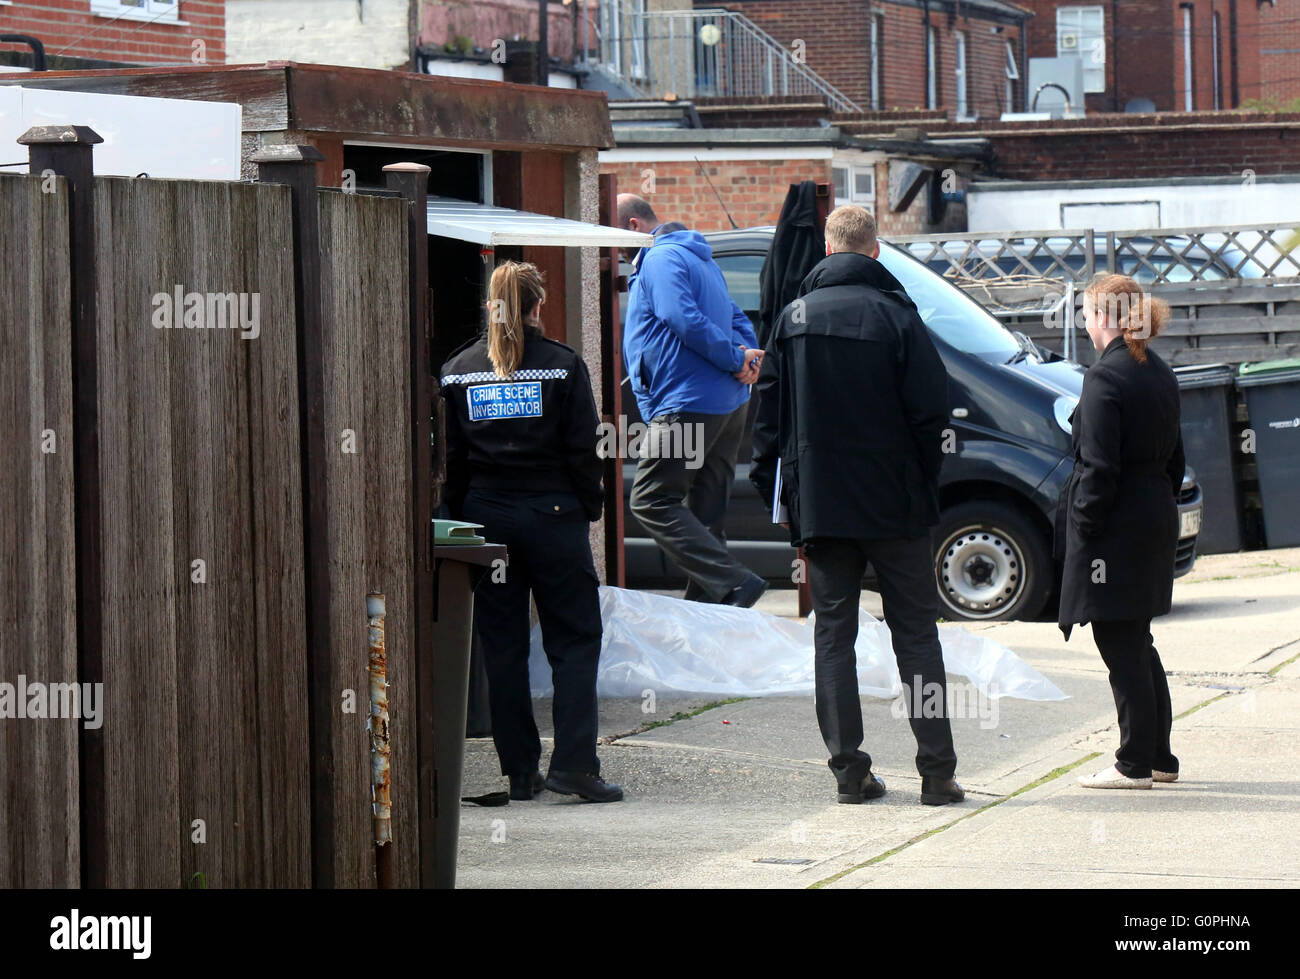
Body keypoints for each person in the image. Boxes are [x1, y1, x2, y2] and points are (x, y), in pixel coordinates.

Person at [751, 205, 963, 806]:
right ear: (874, 251)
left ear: (827, 249)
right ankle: (937, 774)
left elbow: (767, 416)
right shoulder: (898, 314)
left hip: (821, 503)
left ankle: (849, 771)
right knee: (917, 636)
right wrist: (923, 481)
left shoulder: (793, 318)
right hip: (896, 504)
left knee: (832, 636)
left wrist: (783, 491)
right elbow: (931, 411)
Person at [440, 261, 623, 803]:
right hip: (553, 518)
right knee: (574, 639)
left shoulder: (458, 370)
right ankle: (573, 766)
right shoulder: (563, 367)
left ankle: (520, 771)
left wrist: (460, 521)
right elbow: (585, 448)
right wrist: (585, 509)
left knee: (502, 644)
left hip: (487, 522)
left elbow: (449, 460)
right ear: (538, 306)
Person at [1058, 274, 1183, 790]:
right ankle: (1158, 757)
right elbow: (1176, 459)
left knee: (1120, 642)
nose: (1085, 325)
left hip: (1116, 527)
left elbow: (1099, 468)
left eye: (1087, 314)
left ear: (1105, 317)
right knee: (1137, 638)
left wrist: (1083, 529)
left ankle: (1134, 763)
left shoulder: (1106, 377)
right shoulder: (1158, 370)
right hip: (1153, 517)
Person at [617, 193, 769, 607]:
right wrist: (746, 358)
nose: (612, 247)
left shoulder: (661, 259)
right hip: (727, 403)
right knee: (705, 515)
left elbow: (681, 318)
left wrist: (736, 357)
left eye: (614, 235)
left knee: (650, 499)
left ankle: (736, 582)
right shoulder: (700, 257)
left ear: (632, 226)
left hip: (687, 403)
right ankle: (709, 613)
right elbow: (737, 316)